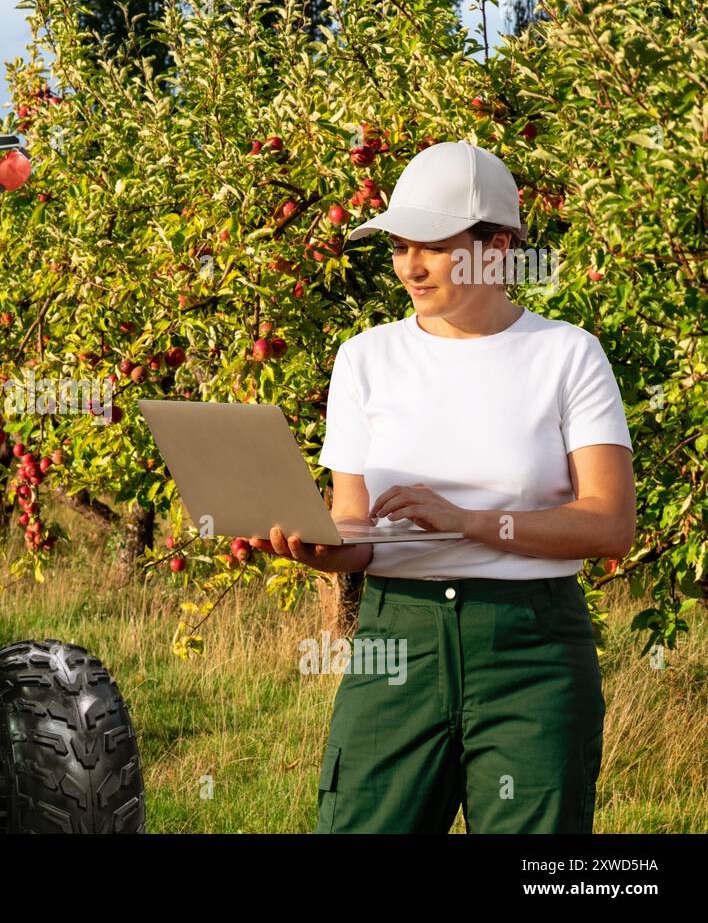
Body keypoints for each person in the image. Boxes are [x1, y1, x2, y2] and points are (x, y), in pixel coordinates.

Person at [267, 141, 636, 833]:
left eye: (432, 246)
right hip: (395, 639)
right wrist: (319, 549)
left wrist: (464, 521)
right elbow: (358, 530)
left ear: (496, 248)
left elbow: (610, 525)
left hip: (533, 644)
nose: (410, 265)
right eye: (401, 245)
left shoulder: (567, 355)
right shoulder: (365, 358)